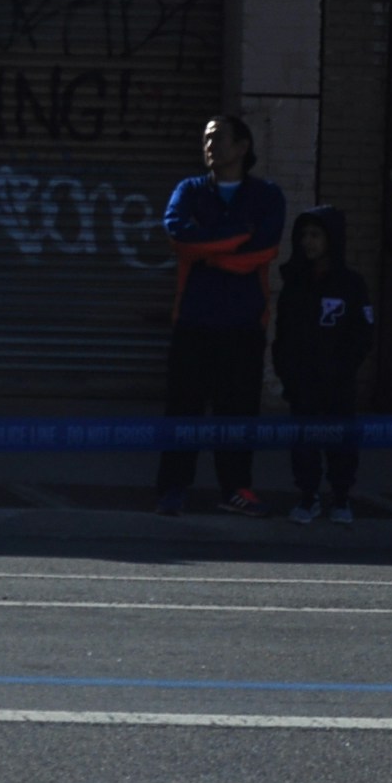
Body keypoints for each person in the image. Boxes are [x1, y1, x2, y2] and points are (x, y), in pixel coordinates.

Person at [155, 116, 286, 516]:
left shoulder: (266, 195)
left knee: (238, 412)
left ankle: (236, 488)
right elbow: (178, 235)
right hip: (193, 321)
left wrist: (208, 249)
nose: (209, 145)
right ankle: (173, 488)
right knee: (183, 411)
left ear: (242, 146)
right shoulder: (190, 191)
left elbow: (262, 251)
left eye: (217, 138)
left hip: (244, 325)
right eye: (205, 138)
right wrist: (236, 236)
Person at [271, 207, 375, 525]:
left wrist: (343, 368)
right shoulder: (295, 283)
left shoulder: (351, 285)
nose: (308, 242)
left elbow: (363, 332)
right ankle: (308, 497)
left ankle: (341, 498)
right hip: (302, 382)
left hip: (337, 383)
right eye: (304, 235)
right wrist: (286, 371)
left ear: (332, 239)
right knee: (303, 444)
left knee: (341, 443)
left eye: (315, 235)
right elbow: (284, 332)